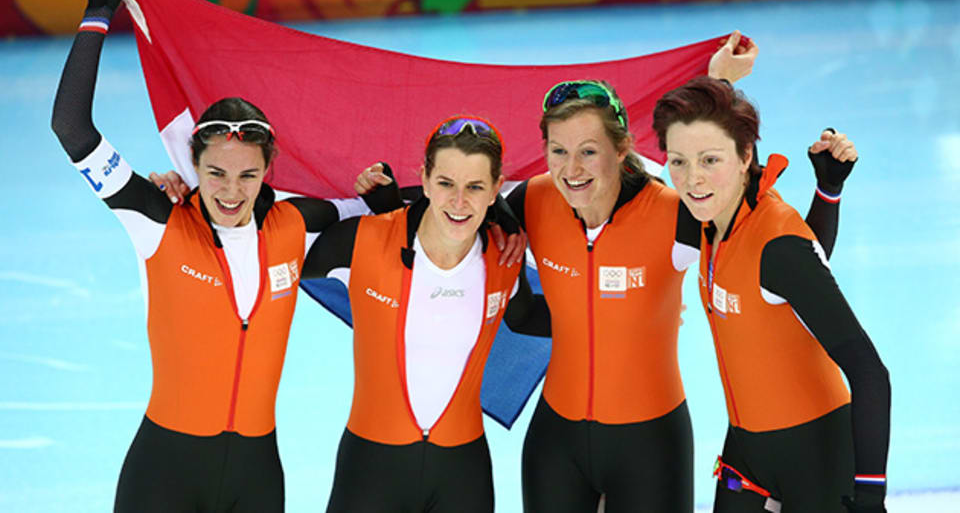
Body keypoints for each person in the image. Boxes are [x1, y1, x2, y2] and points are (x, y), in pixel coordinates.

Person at [51, 0, 399, 510]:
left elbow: (374, 197)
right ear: (193, 165)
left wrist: (386, 198)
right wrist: (99, 14)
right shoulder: (156, 219)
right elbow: (72, 128)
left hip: (256, 477)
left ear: (268, 173)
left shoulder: (294, 225)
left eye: (247, 176)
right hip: (163, 473)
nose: (230, 192)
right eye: (215, 173)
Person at [504, 57, 855, 510]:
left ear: (622, 148)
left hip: (649, 445)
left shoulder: (673, 213)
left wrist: (827, 192)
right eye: (558, 151)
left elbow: (787, 253)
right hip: (555, 443)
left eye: (589, 150)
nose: (572, 168)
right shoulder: (531, 201)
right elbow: (455, 222)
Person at [652, 76, 890, 513]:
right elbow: (785, 285)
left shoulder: (776, 243)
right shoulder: (710, 220)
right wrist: (827, 193)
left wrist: (871, 496)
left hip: (817, 458)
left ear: (745, 157)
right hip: (746, 451)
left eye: (709, 160)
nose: (691, 179)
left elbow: (870, 372)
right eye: (679, 161)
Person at [302, 116, 546, 513]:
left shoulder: (504, 258)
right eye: (446, 183)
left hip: (462, 473)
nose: (459, 201)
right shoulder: (360, 241)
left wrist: (621, 319)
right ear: (426, 179)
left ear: (496, 190)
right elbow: (259, 244)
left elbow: (525, 318)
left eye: (475, 187)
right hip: (370, 470)